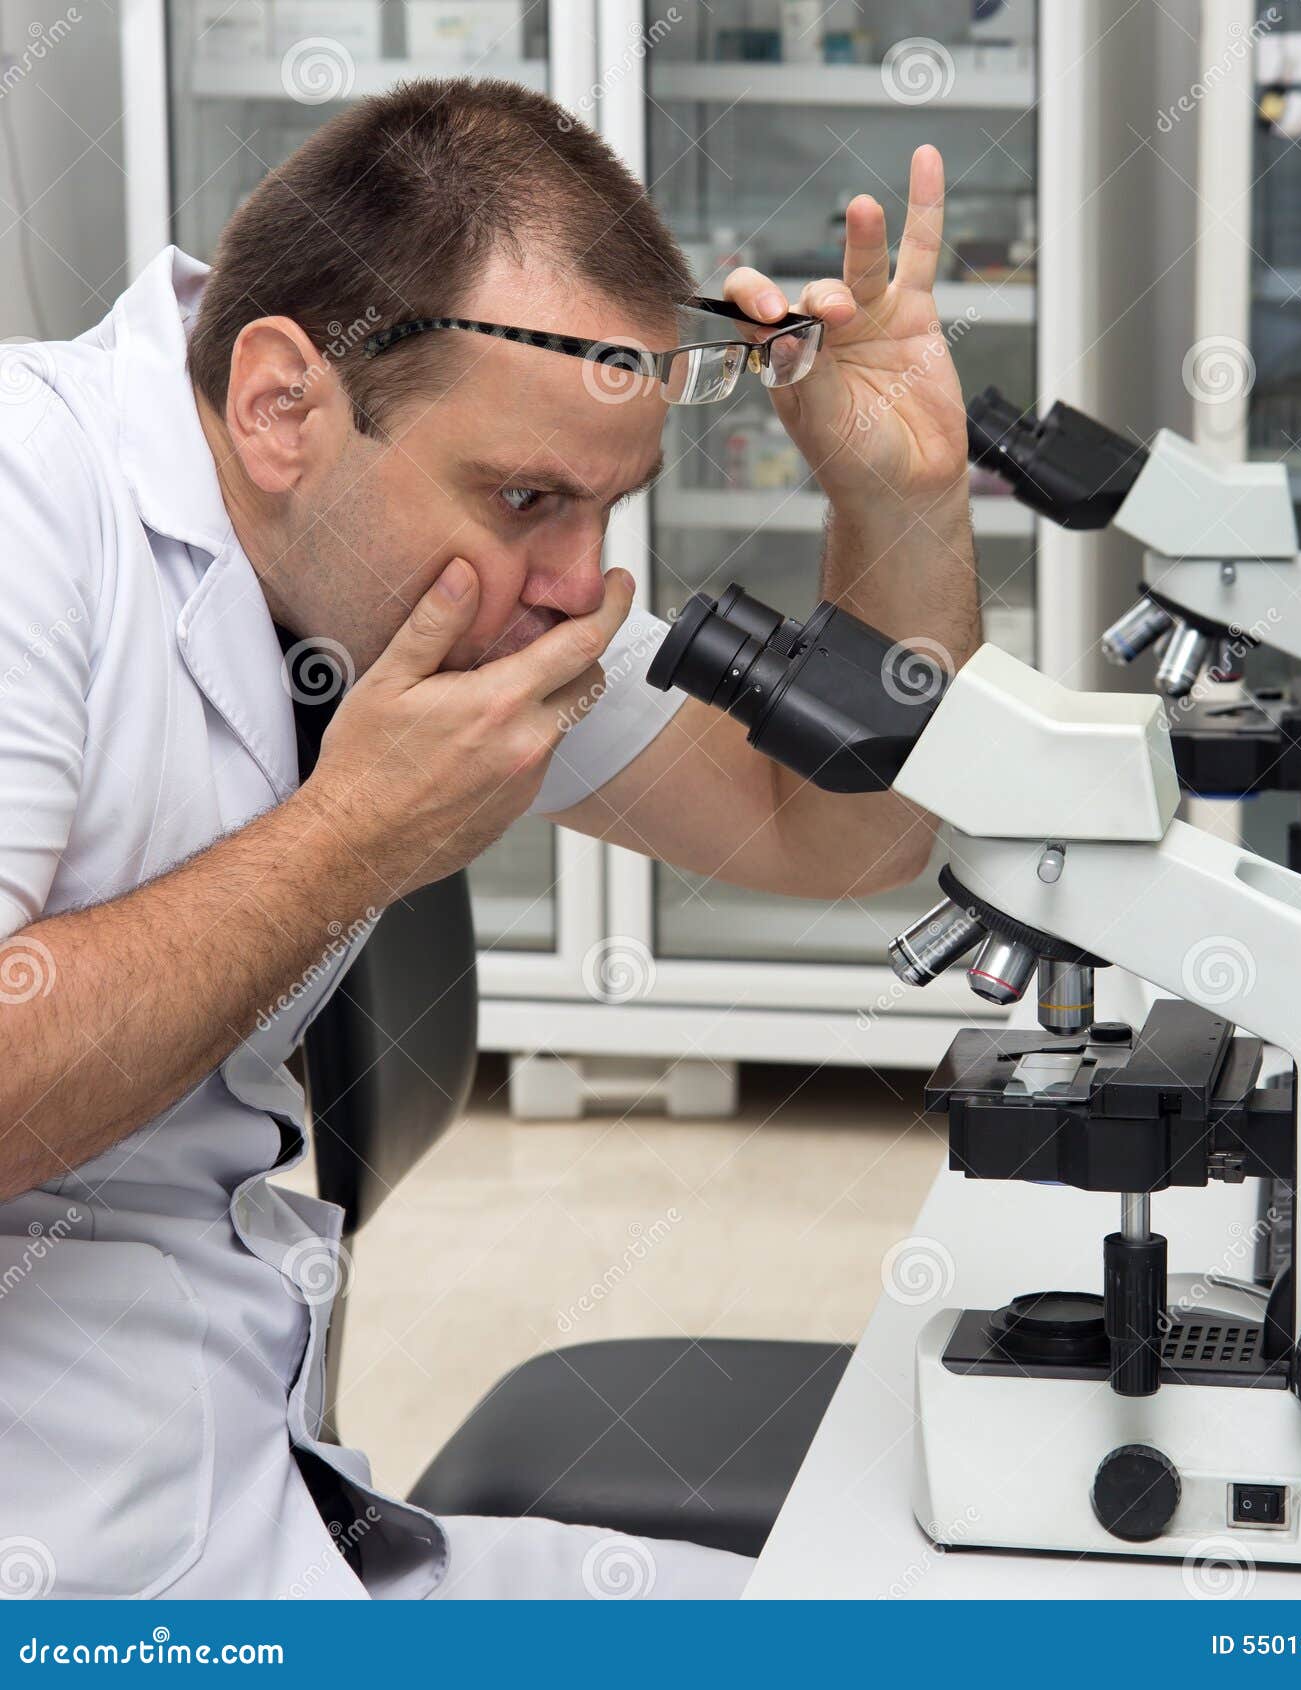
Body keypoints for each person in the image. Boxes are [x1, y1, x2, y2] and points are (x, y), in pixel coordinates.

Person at [0, 77, 980, 1599]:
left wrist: (904, 503)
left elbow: (845, 832)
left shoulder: (426, 577)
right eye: (526, 496)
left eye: (605, 507)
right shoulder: (29, 505)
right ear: (280, 405)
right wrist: (349, 840)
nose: (577, 583)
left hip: (247, 1508)